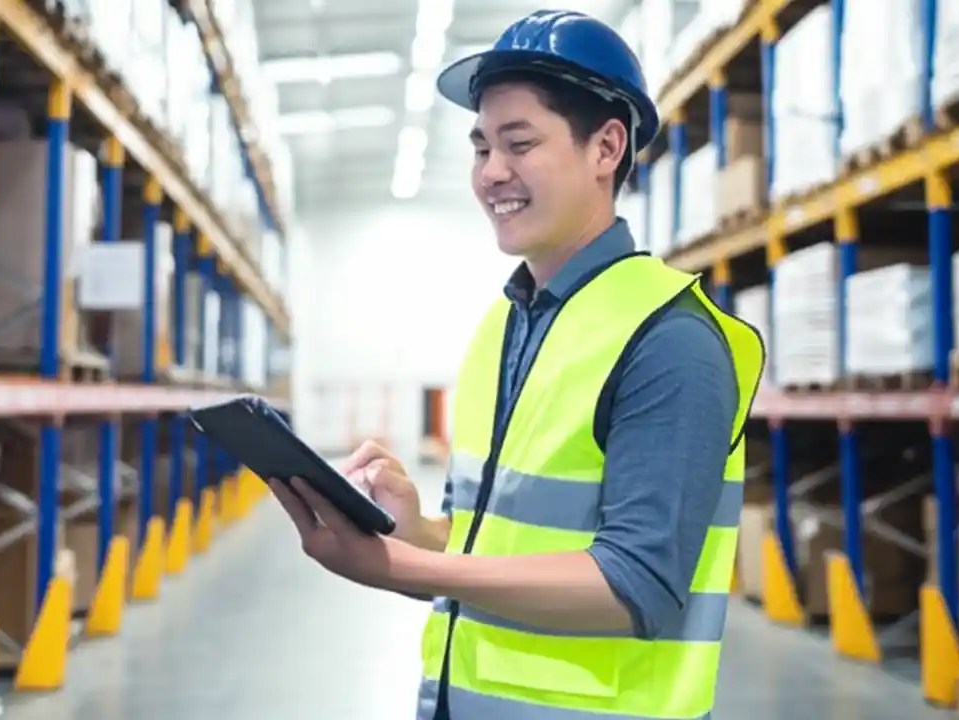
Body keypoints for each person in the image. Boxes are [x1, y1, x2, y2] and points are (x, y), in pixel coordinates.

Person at [266, 9, 766, 720]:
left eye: (519, 143)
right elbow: (497, 550)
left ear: (606, 148)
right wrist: (411, 529)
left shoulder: (669, 340)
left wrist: (398, 566)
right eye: (480, 148)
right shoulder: (507, 325)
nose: (491, 173)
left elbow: (637, 585)